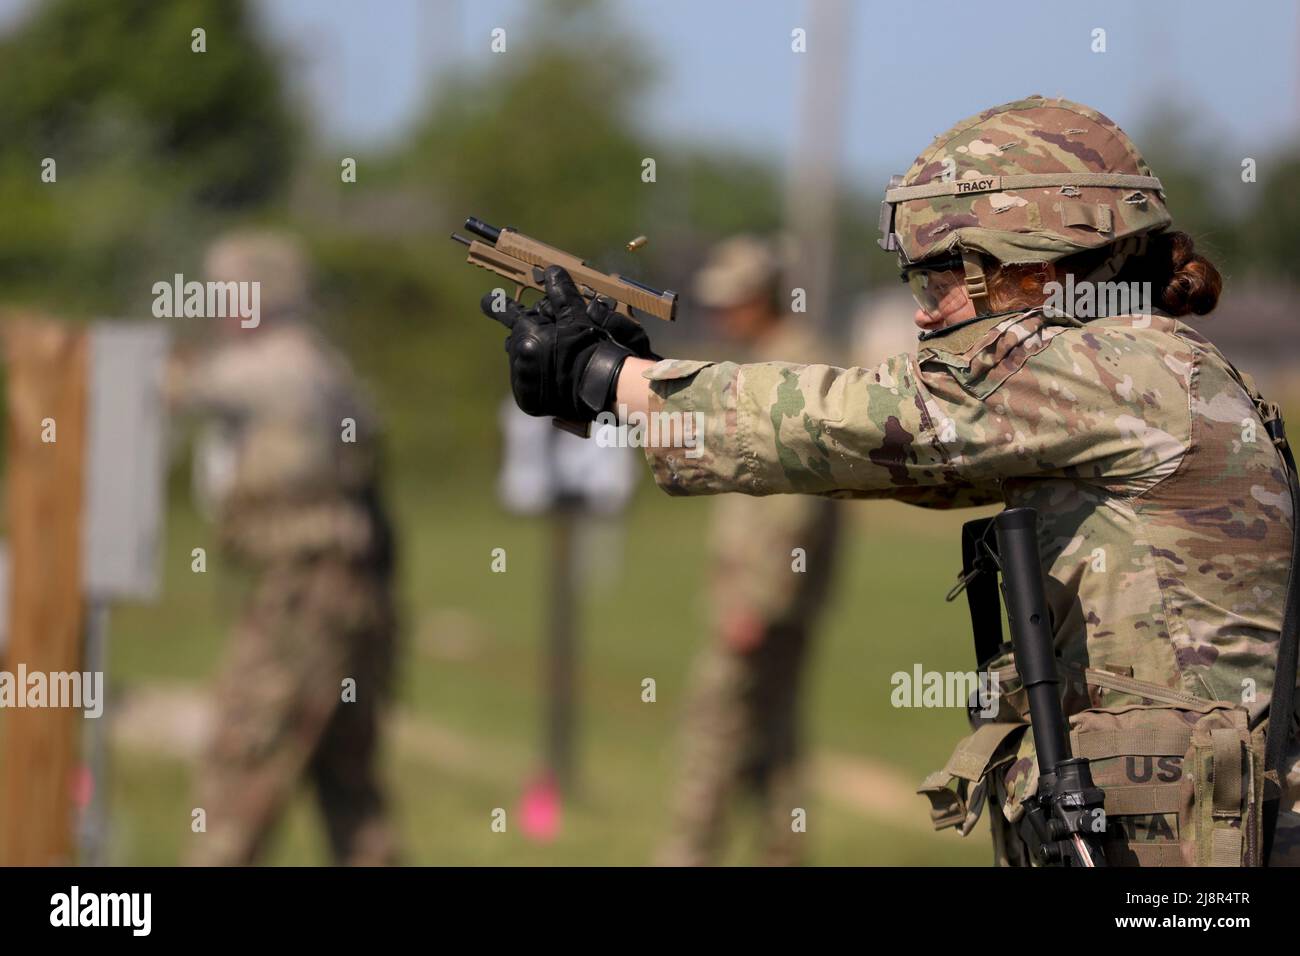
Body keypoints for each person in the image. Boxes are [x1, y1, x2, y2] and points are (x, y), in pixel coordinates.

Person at [481, 96, 1300, 866]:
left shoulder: (1117, 364)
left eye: (942, 276)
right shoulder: (1136, 366)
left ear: (1039, 267)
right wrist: (639, 392)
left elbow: (872, 418)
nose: (925, 310)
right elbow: (876, 455)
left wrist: (611, 380)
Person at [172, 230, 399, 865]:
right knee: (349, 787)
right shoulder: (326, 365)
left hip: (301, 598)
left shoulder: (277, 363)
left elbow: (183, 387)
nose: (214, 308)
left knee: (240, 768)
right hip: (350, 599)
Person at [658, 236, 842, 867]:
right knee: (775, 741)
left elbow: (797, 506)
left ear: (761, 297)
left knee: (716, 733)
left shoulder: (791, 369)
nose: (720, 317)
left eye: (730, 302)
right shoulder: (776, 359)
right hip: (774, 599)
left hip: (760, 600)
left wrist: (755, 602)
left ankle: (687, 855)